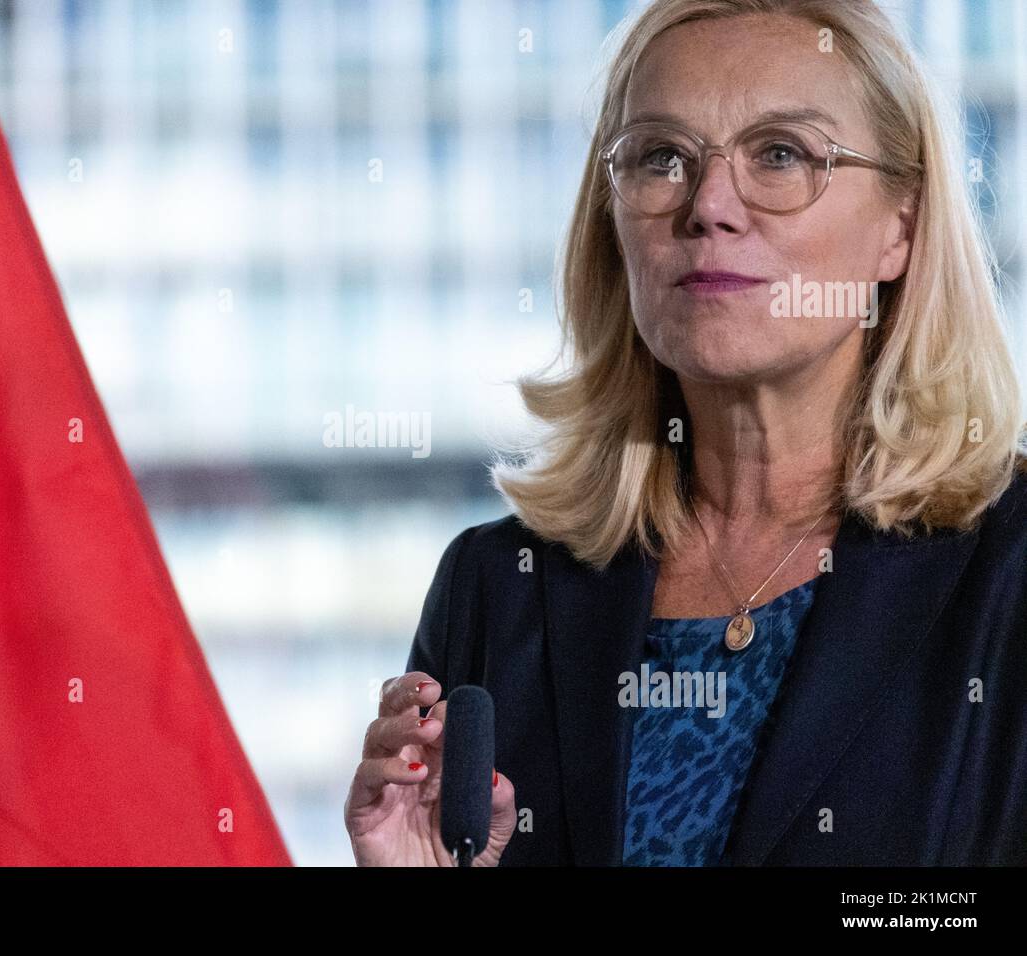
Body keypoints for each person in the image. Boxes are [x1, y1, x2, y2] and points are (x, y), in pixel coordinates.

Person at [344, 0, 1027, 866]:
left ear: (902, 225)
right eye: (661, 157)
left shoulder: (1008, 569)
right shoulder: (497, 587)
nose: (708, 206)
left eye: (781, 154)